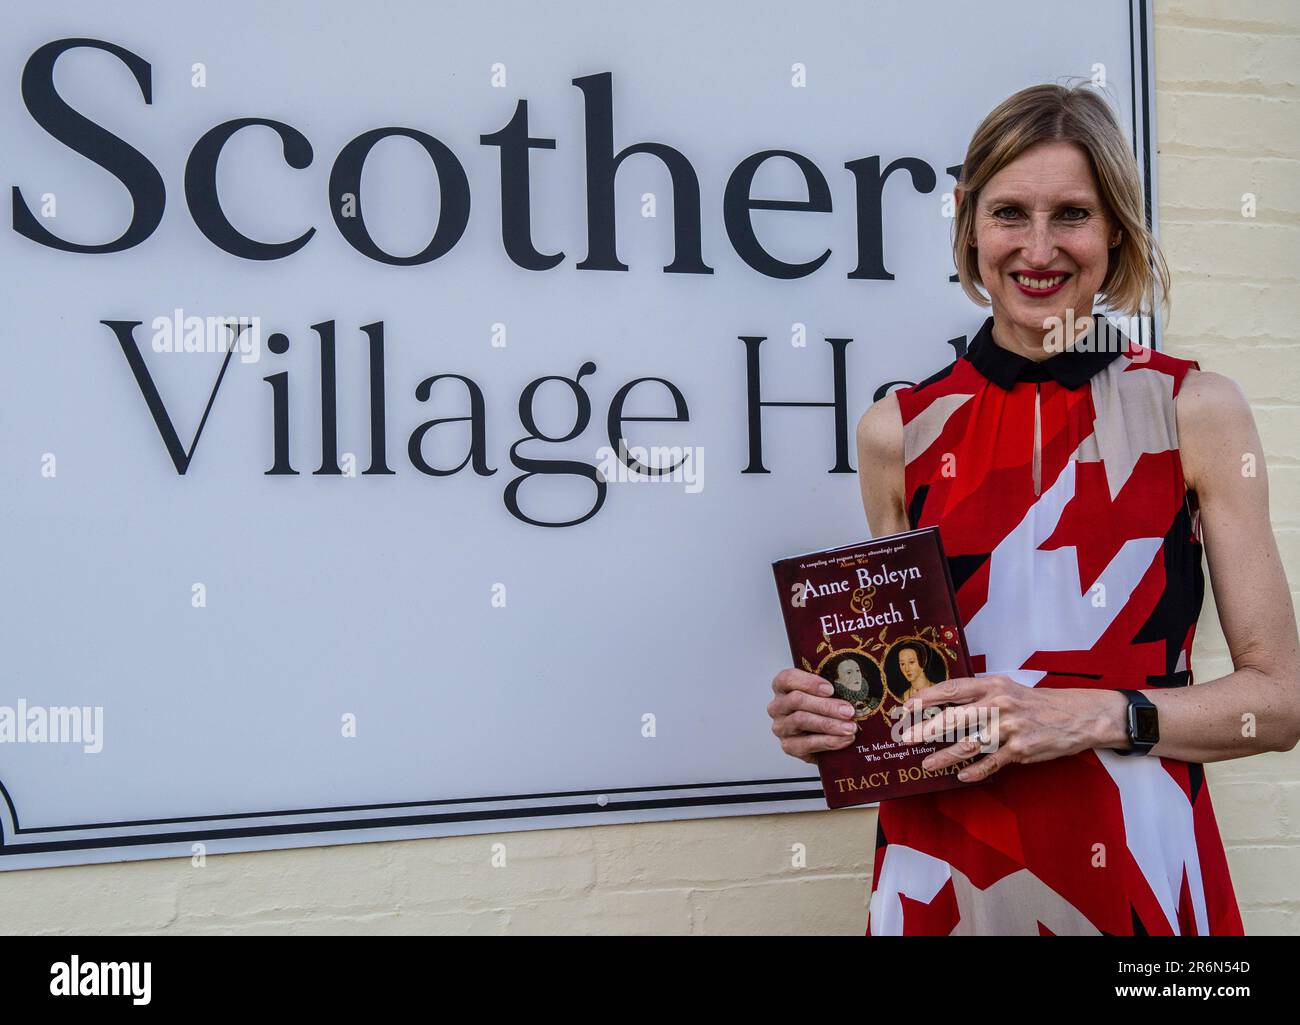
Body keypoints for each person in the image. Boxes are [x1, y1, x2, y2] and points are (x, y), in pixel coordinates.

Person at [766, 82, 1300, 935]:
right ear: (969, 225)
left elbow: (1278, 703)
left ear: (1115, 229)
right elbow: (916, 687)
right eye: (1010, 212)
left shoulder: (1194, 408)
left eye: (1073, 214)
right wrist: (835, 716)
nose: (1039, 247)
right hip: (941, 866)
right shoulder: (896, 431)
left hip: (1139, 857)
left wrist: (1093, 714)